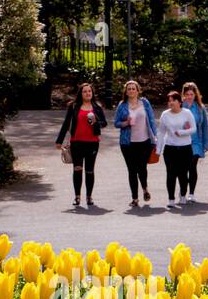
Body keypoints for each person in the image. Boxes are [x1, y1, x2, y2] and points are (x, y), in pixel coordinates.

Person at [54, 83, 107, 208]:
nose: (88, 93)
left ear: (92, 93)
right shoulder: (74, 106)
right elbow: (66, 123)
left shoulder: (97, 107)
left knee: (89, 171)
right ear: (81, 94)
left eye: (89, 91)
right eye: (85, 91)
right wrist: (59, 140)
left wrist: (96, 121)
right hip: (77, 143)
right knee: (77, 169)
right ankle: (77, 197)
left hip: (93, 143)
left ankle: (89, 196)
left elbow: (104, 123)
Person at [114, 80, 158, 208]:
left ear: (138, 91)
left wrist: (155, 136)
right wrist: (126, 123)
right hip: (127, 143)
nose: (131, 91)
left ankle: (144, 188)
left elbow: (151, 120)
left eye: (134, 88)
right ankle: (135, 198)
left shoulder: (144, 103)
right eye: (129, 89)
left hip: (144, 142)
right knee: (132, 170)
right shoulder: (122, 105)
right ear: (126, 92)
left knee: (142, 168)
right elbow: (116, 123)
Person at [155, 90, 196, 208]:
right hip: (170, 148)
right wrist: (158, 150)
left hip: (185, 148)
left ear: (179, 102)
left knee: (183, 174)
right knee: (171, 174)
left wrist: (182, 132)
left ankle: (183, 195)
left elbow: (193, 129)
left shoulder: (187, 113)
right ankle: (171, 199)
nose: (170, 103)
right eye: (169, 101)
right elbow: (161, 132)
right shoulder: (165, 114)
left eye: (173, 100)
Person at [181, 82, 208, 203]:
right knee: (183, 169)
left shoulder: (200, 107)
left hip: (196, 141)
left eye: (191, 94)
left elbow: (204, 126)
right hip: (182, 142)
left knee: (192, 166)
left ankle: (191, 193)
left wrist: (206, 143)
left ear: (195, 94)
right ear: (183, 95)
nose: (189, 96)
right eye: (187, 94)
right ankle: (183, 191)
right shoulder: (180, 106)